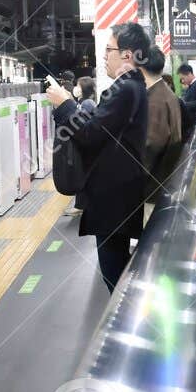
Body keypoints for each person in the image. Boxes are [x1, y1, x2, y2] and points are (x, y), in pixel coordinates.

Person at [44, 20, 151, 292]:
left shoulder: (126, 89)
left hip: (114, 194)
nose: (103, 57)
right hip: (119, 191)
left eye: (108, 50)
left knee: (113, 270)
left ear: (127, 55)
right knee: (116, 263)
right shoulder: (132, 86)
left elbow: (91, 133)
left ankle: (126, 324)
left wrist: (65, 104)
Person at [139, 47, 185, 195]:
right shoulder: (167, 92)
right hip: (164, 179)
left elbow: (152, 144)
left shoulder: (154, 100)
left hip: (153, 185)